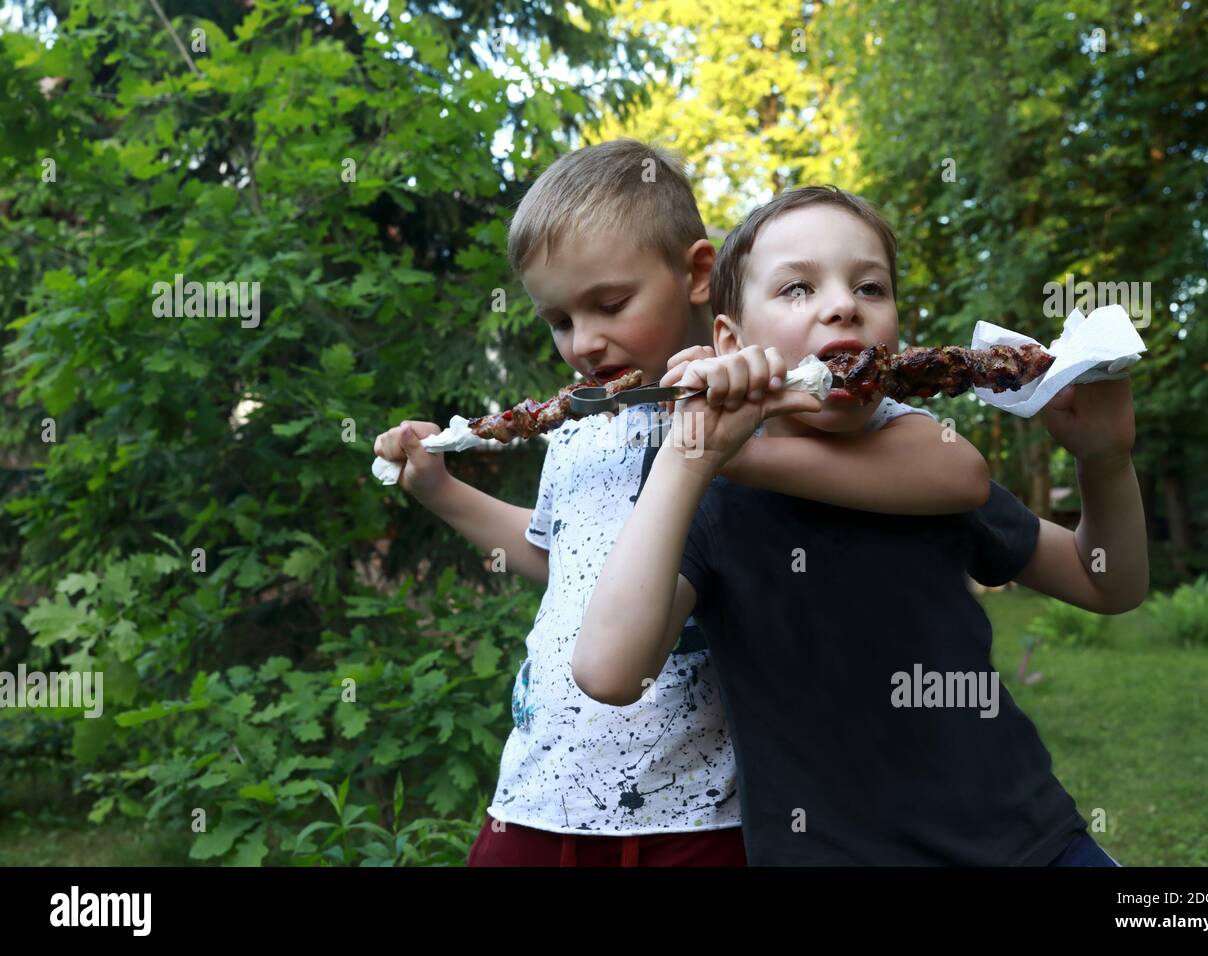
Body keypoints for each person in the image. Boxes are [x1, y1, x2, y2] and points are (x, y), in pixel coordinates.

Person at [374, 148, 988, 866]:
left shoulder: (761, 400)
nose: (584, 342)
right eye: (558, 321)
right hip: (537, 796)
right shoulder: (576, 434)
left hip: (701, 812)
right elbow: (558, 560)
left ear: (697, 274)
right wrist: (440, 490)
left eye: (609, 305)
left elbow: (952, 471)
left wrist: (723, 449)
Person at [573, 185, 1147, 865]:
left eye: (870, 287)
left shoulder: (921, 464)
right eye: (796, 289)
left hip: (1034, 845)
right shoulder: (704, 488)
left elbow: (1105, 583)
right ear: (730, 339)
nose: (844, 304)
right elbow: (610, 671)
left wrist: (1105, 462)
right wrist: (690, 454)